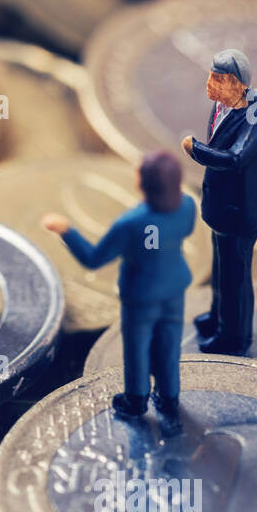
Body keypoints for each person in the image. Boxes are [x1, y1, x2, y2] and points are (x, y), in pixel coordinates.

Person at [43, 152, 196, 423]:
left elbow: (93, 259)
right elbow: (181, 233)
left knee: (137, 348)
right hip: (173, 288)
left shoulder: (131, 223)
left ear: (143, 184)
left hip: (141, 296)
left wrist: (67, 231)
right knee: (169, 345)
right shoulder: (187, 206)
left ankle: (136, 399)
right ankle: (169, 396)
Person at [181, 48, 257, 355]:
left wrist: (196, 149)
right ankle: (218, 316)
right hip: (222, 208)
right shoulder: (221, 107)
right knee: (220, 268)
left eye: (218, 79)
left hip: (243, 211)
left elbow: (236, 158)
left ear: (238, 84)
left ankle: (234, 337)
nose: (210, 84)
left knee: (236, 277)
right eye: (211, 76)